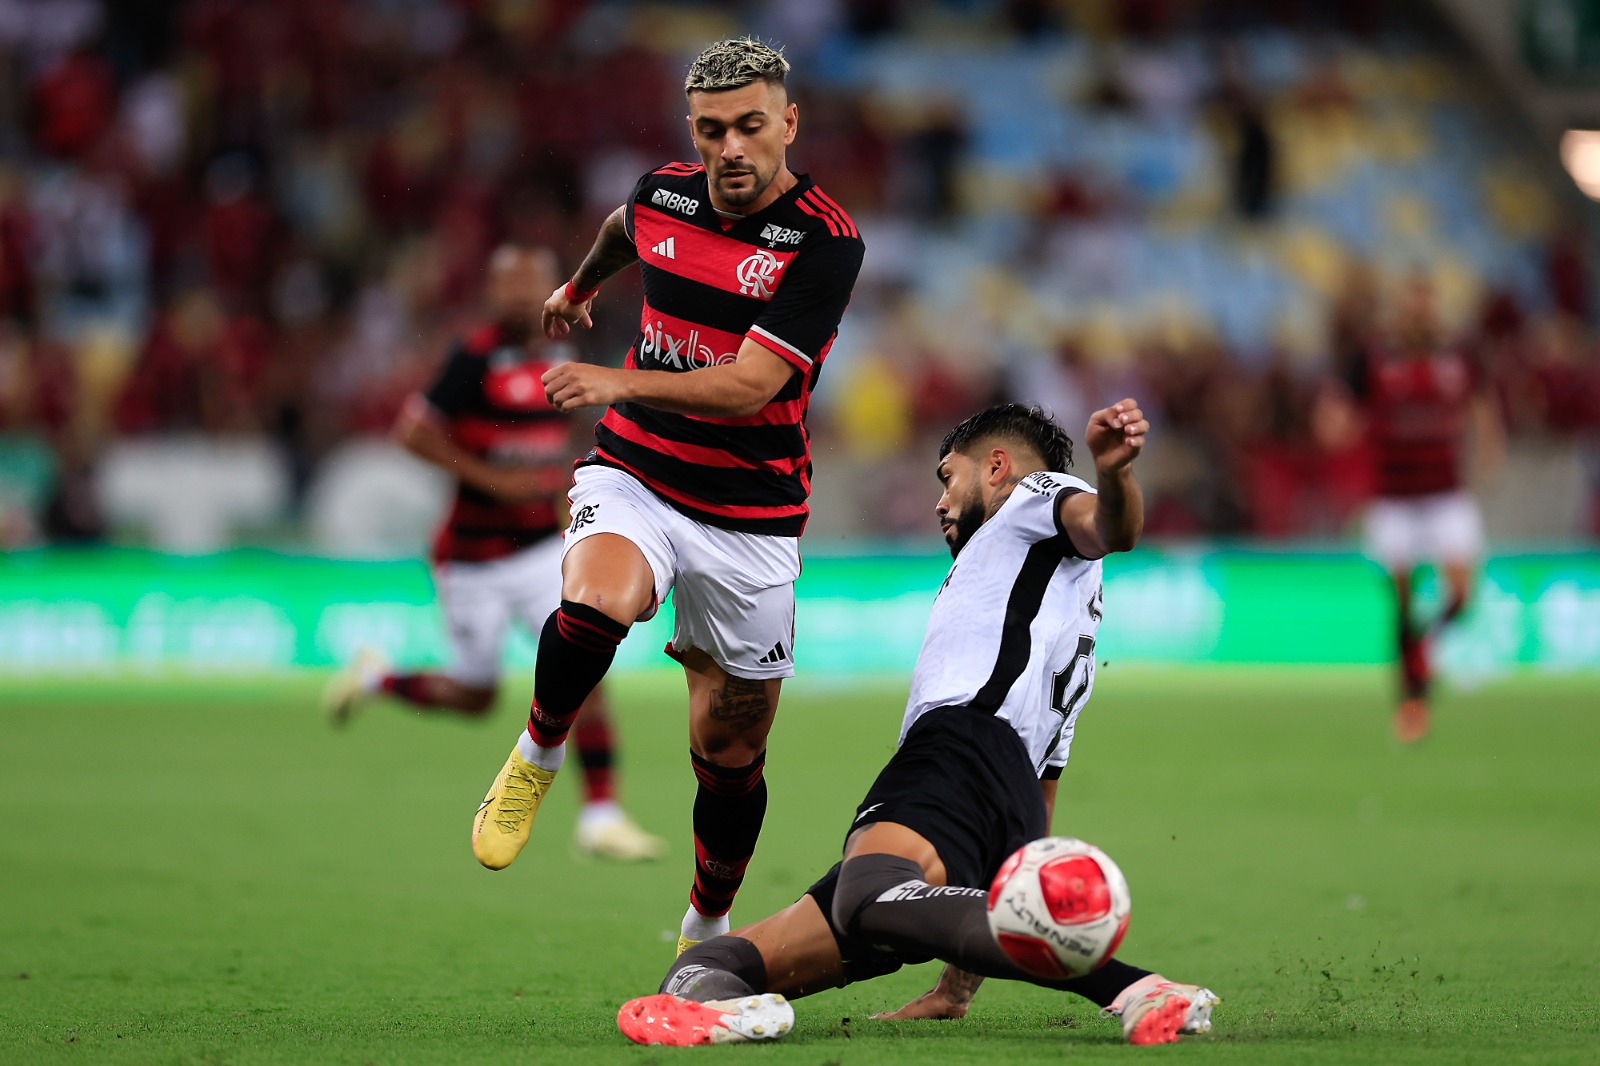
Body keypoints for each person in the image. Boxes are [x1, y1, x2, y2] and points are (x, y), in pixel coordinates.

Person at [615, 402, 1219, 1048]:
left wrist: (1111, 472)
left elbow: (1109, 526)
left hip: (956, 748)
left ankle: (1132, 984)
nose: (939, 502)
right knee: (708, 965)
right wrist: (957, 985)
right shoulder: (1055, 601)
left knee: (865, 895)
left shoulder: (1035, 495)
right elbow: (1033, 809)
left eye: (947, 477)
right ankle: (726, 1011)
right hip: (991, 796)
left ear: (996, 467)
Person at [468, 36, 865, 956]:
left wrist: (616, 379)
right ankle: (537, 754)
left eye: (751, 128)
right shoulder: (666, 191)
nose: (731, 148)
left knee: (730, 755)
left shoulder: (824, 242)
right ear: (693, 131)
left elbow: (748, 388)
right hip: (638, 472)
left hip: (752, 516)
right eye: (711, 129)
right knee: (595, 601)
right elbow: (623, 227)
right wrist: (578, 286)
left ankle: (706, 928)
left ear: (788, 125)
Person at [324, 245, 665, 862]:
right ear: (492, 292)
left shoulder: (563, 351)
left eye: (531, 282)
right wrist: (490, 478)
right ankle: (376, 677)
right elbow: (413, 434)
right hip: (473, 556)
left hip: (537, 549)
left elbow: (552, 435)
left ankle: (601, 815)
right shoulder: (473, 357)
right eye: (509, 284)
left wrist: (568, 483)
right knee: (476, 697)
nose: (519, 295)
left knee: (583, 670)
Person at [1344, 276, 1502, 742]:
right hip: (1394, 497)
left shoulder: (1459, 360)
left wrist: (1489, 450)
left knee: (1460, 595)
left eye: (1424, 309)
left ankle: (1422, 653)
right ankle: (1412, 699)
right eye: (1411, 310)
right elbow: (1346, 416)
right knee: (1402, 601)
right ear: (1400, 315)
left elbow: (1482, 409)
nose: (1418, 318)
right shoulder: (1374, 362)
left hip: (1445, 493)